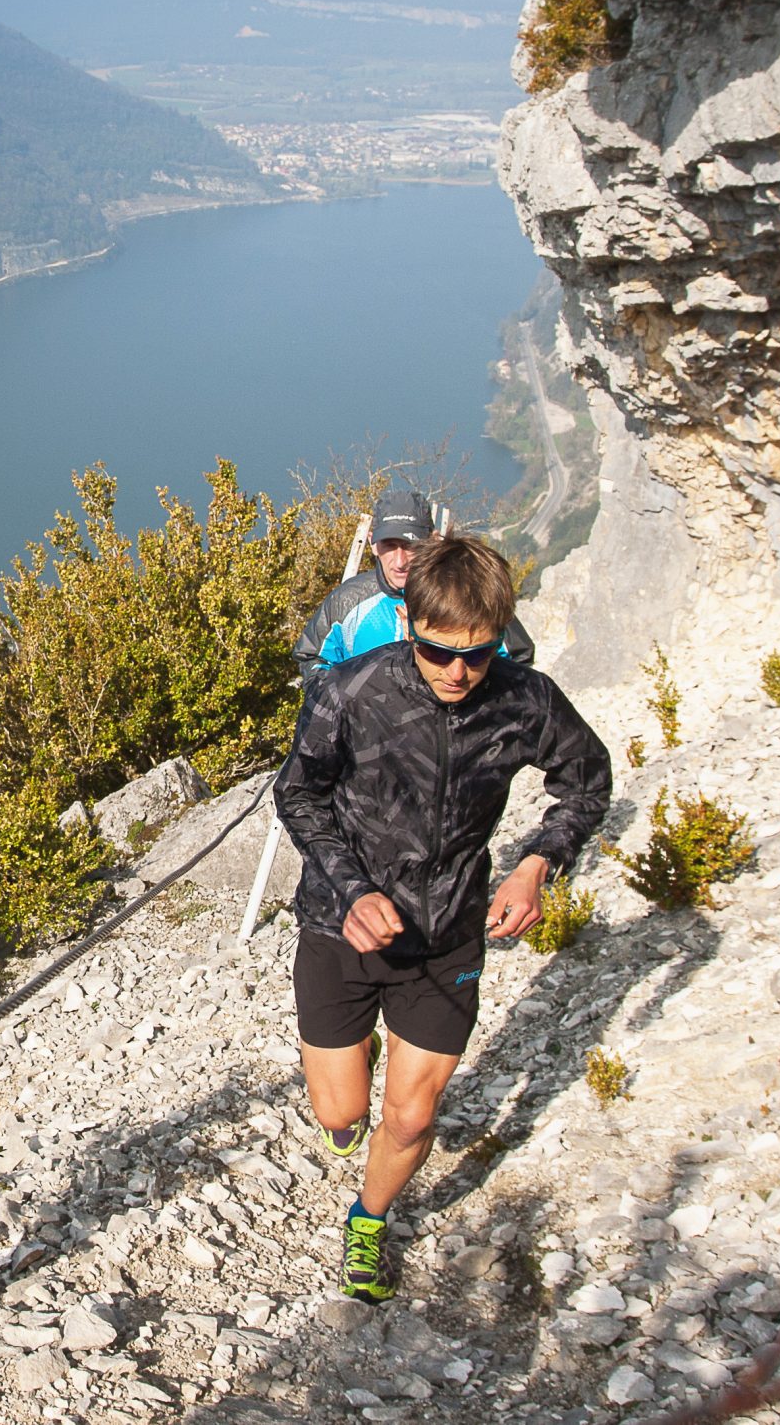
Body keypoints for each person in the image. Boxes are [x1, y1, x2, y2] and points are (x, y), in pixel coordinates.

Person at [273, 531, 611, 1303]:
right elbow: (298, 793)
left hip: (449, 928)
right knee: (342, 1108)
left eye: (479, 653)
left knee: (413, 1111)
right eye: (436, 651)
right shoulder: (350, 690)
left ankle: (370, 1218)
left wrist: (536, 863)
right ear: (410, 621)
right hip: (340, 922)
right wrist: (355, 889)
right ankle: (347, 1089)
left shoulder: (524, 700)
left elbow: (587, 782)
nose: (458, 671)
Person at [292, 485, 535, 708]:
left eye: (411, 546)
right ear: (372, 544)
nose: (400, 562)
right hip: (369, 740)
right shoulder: (348, 601)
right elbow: (312, 656)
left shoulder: (465, 593)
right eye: (389, 545)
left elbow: (517, 656)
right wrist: (336, 710)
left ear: (433, 540)